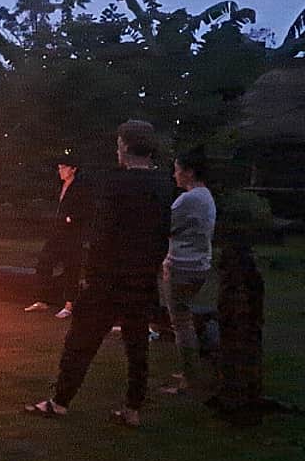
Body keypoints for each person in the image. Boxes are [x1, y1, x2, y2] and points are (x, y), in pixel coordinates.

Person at [26, 121, 172, 427]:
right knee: (137, 345)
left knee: (80, 342)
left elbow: (102, 234)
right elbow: (161, 234)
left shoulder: (116, 184)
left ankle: (60, 402)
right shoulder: (162, 184)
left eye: (119, 143)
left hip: (108, 280)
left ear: (126, 146)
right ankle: (133, 408)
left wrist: (89, 274)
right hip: (141, 278)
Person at [160, 148, 217, 394]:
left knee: (181, 323)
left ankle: (189, 378)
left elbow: (166, 226)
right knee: (184, 320)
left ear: (189, 172)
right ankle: (190, 371)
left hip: (183, 266)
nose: (174, 175)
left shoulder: (189, 199)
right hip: (199, 265)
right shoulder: (205, 196)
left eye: (177, 170)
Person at [24, 154, 90, 319]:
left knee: (71, 268)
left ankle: (69, 304)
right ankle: (42, 299)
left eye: (64, 168)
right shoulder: (60, 185)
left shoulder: (80, 187)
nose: (60, 171)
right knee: (44, 263)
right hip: (57, 232)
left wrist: (71, 218)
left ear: (73, 169)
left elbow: (86, 209)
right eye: (59, 168)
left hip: (72, 234)